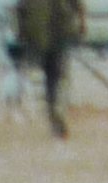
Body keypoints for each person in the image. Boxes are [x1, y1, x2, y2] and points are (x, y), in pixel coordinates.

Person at [15, 0, 80, 136]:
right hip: (58, 30)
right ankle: (56, 110)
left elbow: (20, 9)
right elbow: (76, 5)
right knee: (58, 75)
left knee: (50, 77)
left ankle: (53, 111)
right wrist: (80, 24)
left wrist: (21, 32)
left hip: (40, 32)